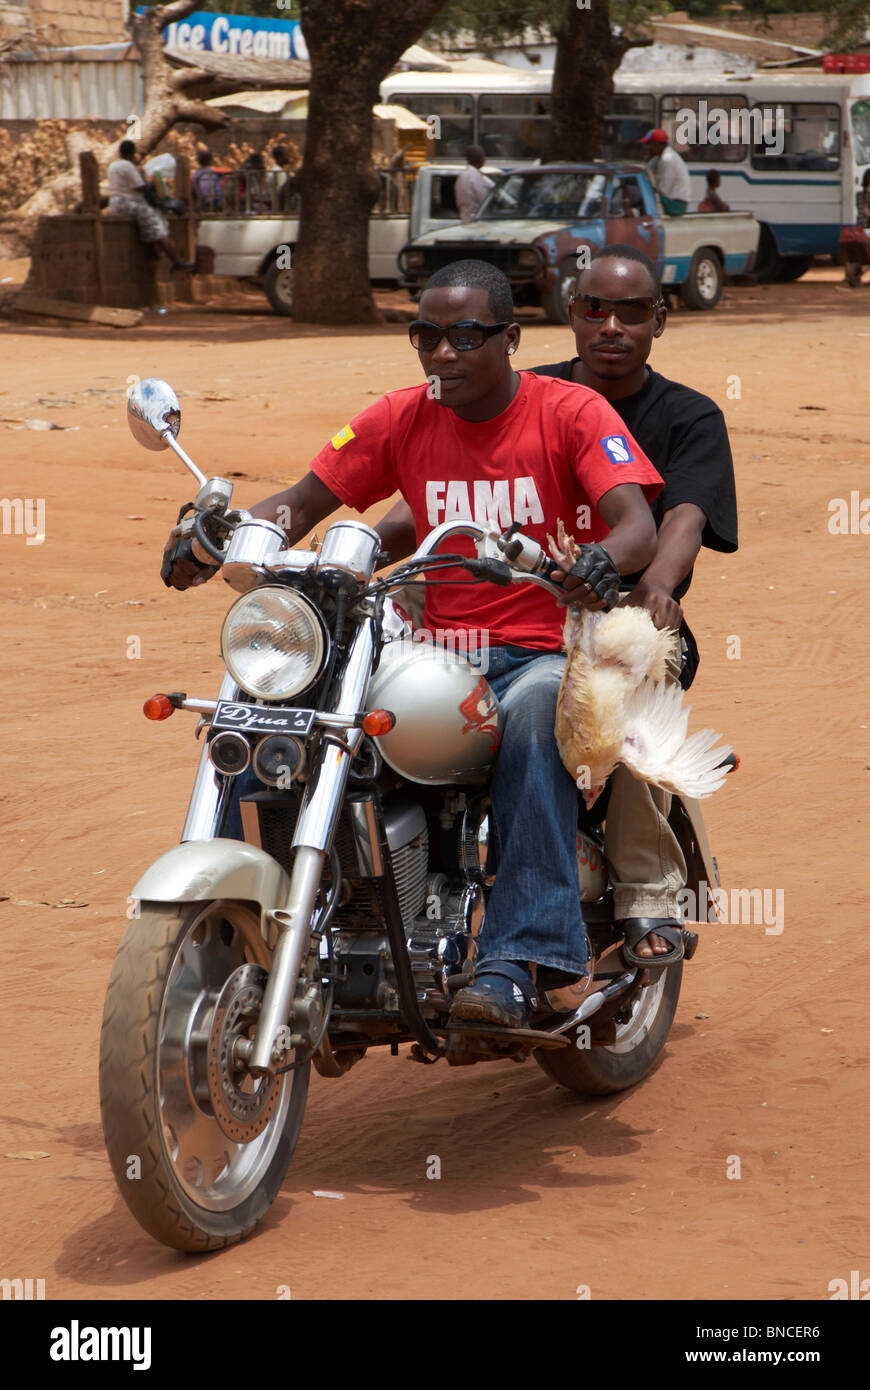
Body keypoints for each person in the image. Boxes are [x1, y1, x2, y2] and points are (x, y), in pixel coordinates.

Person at [163, 259, 665, 1030]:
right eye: (425, 334)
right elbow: (301, 502)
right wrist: (223, 540)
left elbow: (636, 522)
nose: (442, 353)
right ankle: (255, 927)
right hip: (429, 652)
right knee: (288, 710)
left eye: (465, 335)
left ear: (509, 338)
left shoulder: (572, 411)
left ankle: (513, 961)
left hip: (542, 647)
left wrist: (603, 557)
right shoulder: (400, 416)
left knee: (534, 716)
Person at [532, 244, 738, 962]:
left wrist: (657, 586)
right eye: (595, 309)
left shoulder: (689, 416)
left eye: (631, 312)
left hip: (629, 616)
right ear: (572, 314)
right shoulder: (529, 393)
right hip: (519, 610)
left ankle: (648, 900)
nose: (610, 325)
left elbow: (684, 516)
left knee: (625, 683)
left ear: (659, 321)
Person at [107, 140, 194, 271]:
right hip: (127, 203)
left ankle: (153, 250)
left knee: (154, 221)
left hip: (116, 203)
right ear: (132, 153)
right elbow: (140, 187)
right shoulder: (127, 166)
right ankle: (176, 260)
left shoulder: (113, 165)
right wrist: (154, 183)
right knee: (157, 225)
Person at [640, 128, 691, 217]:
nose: (647, 148)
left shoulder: (667, 159)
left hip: (675, 204)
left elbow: (664, 190)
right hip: (671, 201)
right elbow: (646, 169)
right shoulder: (661, 156)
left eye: (649, 145)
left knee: (644, 196)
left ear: (655, 145)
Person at [454, 146, 494, 223]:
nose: (484, 160)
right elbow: (484, 200)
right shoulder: (475, 176)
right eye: (483, 157)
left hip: (464, 218)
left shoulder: (462, 175)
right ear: (478, 158)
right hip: (476, 220)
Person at [191, 149, 223, 213]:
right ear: (210, 161)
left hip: (202, 201)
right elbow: (217, 189)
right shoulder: (212, 173)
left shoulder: (196, 174)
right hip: (214, 201)